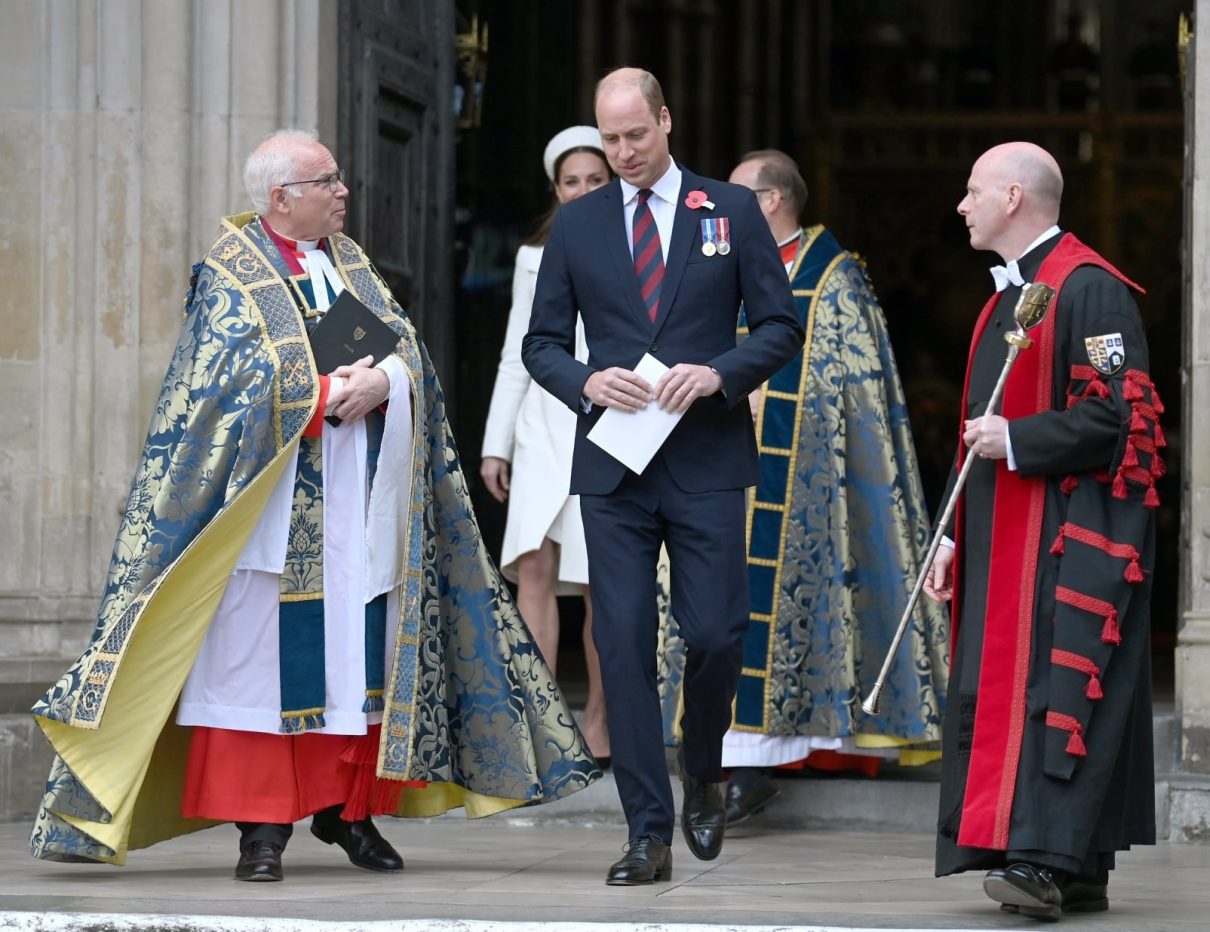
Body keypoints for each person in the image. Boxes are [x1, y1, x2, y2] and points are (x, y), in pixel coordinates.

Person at [28, 130, 597, 881]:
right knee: (264, 677)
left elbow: (409, 353)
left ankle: (347, 813)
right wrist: (326, 392)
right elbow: (214, 393)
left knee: (358, 671)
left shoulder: (352, 263)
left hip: (361, 512)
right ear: (279, 199)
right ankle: (261, 833)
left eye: (338, 178)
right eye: (326, 180)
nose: (343, 191)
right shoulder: (232, 277)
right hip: (271, 523)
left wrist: (386, 384)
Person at [522, 68, 804, 885]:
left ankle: (707, 768)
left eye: (635, 136)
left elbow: (779, 324)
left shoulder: (730, 210)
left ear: (666, 121)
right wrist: (584, 382)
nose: (623, 153)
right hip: (614, 465)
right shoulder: (577, 228)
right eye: (609, 140)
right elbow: (542, 344)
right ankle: (647, 831)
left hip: (706, 455)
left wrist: (720, 373)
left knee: (715, 633)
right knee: (622, 641)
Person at [924, 141, 1160, 920]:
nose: (962, 205)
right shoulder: (1005, 299)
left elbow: (1114, 415)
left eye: (972, 191)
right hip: (1000, 531)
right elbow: (976, 434)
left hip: (1066, 534)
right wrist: (952, 536)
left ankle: (1042, 860)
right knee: (1008, 688)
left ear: (1015, 197)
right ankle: (1066, 862)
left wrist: (1018, 440)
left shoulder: (1090, 290)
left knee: (1056, 690)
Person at [714, 150, 949, 825]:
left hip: (802, 485)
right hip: (726, 477)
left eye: (733, 198)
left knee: (796, 611)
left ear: (769, 202)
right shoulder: (724, 269)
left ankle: (762, 760)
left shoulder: (833, 281)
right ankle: (731, 753)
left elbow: (855, 397)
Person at [480, 126, 612, 766]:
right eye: (571, 182)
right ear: (555, 190)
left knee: (597, 583)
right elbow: (516, 352)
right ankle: (543, 723)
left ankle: (600, 723)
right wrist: (495, 443)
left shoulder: (632, 245)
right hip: (540, 425)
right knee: (533, 566)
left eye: (595, 179)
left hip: (608, 426)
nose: (583, 191)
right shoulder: (534, 256)